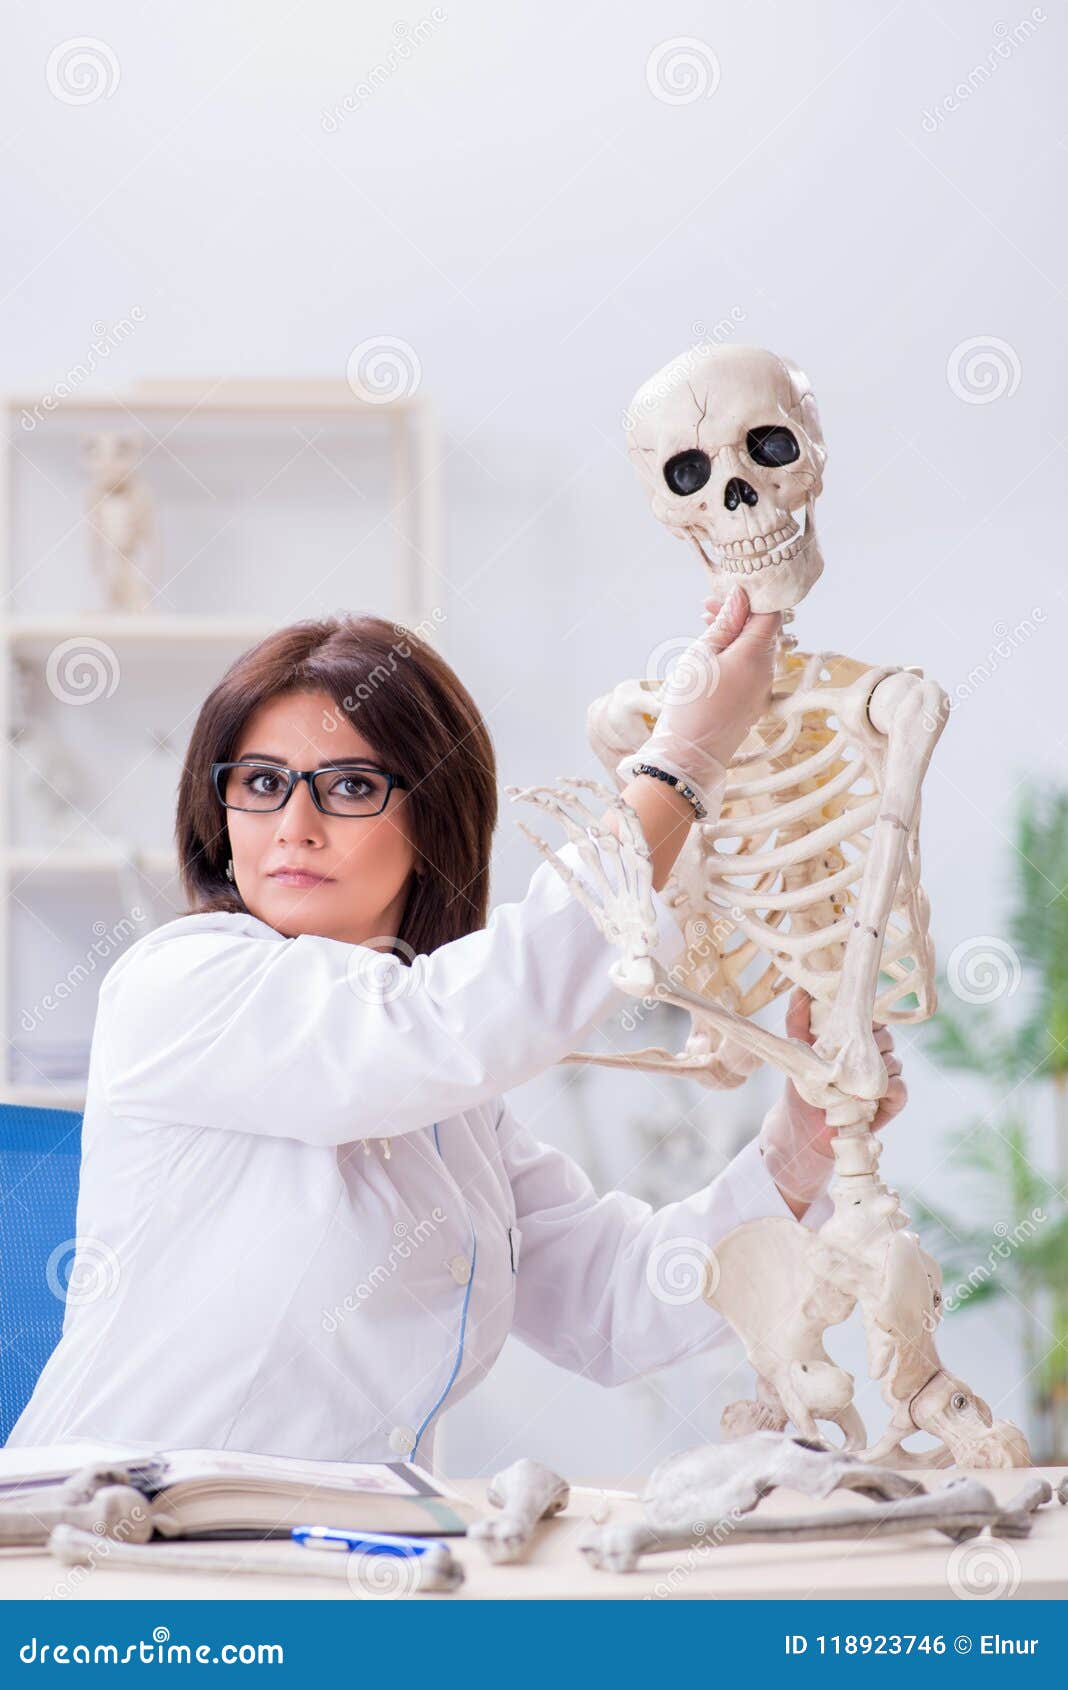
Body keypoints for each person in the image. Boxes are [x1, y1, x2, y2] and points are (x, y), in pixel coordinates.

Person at [6, 589, 904, 1465]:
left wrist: (799, 1148)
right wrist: (683, 762)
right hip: (121, 1558)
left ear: (432, 818)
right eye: (262, 783)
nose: (295, 826)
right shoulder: (182, 984)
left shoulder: (454, 1110)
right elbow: (456, 1021)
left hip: (328, 1563)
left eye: (351, 786)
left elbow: (617, 1304)